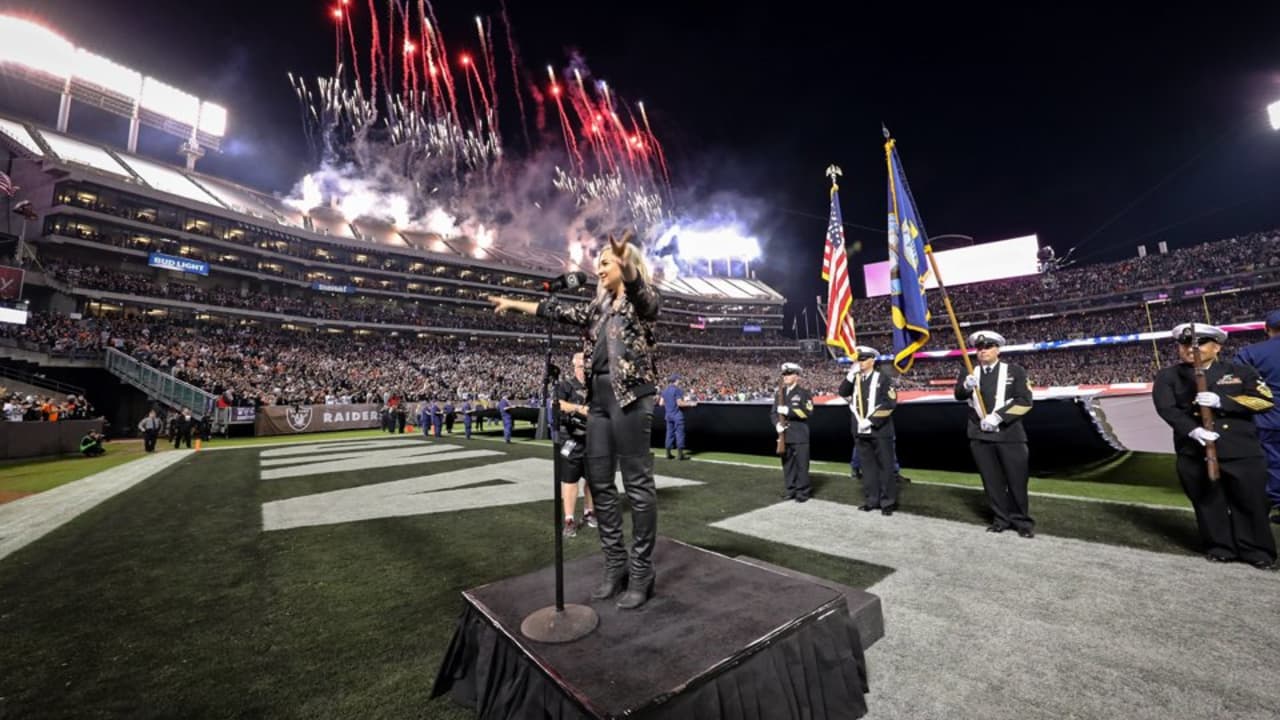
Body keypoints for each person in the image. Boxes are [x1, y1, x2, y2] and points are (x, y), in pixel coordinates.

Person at [489, 231, 661, 610]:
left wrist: (627, 263)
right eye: (597, 263)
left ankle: (642, 570)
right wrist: (514, 304)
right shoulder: (596, 308)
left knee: (636, 484)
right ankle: (615, 566)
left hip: (631, 398)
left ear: (625, 265)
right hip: (597, 400)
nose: (597, 268)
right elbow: (556, 311)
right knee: (599, 482)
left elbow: (639, 291)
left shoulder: (641, 301)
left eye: (606, 262)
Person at [1154, 323, 1277, 569]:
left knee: (1250, 500)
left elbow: (1264, 402)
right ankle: (1220, 546)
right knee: (1208, 502)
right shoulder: (1168, 376)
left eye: (1199, 344)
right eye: (1185, 344)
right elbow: (1167, 408)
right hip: (1195, 450)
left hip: (1240, 449)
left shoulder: (1240, 371)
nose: (1191, 349)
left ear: (1217, 346)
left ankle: (1257, 550)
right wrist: (1193, 429)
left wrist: (1224, 401)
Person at [953, 330, 1035, 537]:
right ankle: (1000, 519)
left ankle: (1022, 522)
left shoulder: (1014, 371)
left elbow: (1025, 401)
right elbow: (958, 395)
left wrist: (998, 417)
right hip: (980, 435)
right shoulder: (969, 371)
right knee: (991, 481)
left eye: (988, 347)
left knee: (1017, 480)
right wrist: (965, 385)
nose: (983, 351)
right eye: (979, 348)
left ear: (997, 349)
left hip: (1010, 435)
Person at [839, 346, 898, 515]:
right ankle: (872, 500)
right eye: (859, 359)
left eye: (864, 359)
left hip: (880, 430)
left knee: (885, 467)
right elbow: (842, 392)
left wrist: (871, 421)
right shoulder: (855, 378)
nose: (860, 362)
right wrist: (850, 374)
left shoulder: (883, 378)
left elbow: (890, 404)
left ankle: (887, 503)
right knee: (868, 467)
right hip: (860, 431)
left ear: (872, 360)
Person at [1233, 309, 1280, 525]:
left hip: (1268, 419)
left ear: (1266, 329)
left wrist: (1255, 411)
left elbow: (1235, 388)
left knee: (1273, 464)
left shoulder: (1251, 352)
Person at [556, 352, 597, 537]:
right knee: (570, 480)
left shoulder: (595, 385)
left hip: (593, 437)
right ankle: (569, 519)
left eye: (586, 359)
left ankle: (589, 512)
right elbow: (559, 404)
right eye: (580, 359)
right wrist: (580, 408)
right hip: (571, 438)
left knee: (592, 480)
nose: (584, 362)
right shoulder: (565, 385)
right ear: (573, 363)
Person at [771, 362, 813, 503]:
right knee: (788, 465)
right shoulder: (779, 393)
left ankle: (802, 492)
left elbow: (808, 412)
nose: (786, 377)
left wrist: (788, 411)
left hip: (799, 434)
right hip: (785, 435)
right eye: (784, 374)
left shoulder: (804, 393)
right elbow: (773, 413)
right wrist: (777, 424)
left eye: (789, 374)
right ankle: (791, 490)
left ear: (796, 376)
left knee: (802, 465)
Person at [658, 375, 695, 460]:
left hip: (668, 415)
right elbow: (679, 403)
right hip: (677, 415)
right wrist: (690, 403)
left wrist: (669, 405)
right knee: (679, 434)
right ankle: (680, 455)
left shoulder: (665, 390)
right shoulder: (677, 390)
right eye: (679, 380)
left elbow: (661, 403)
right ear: (676, 381)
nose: (680, 381)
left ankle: (668, 454)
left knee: (669, 434)